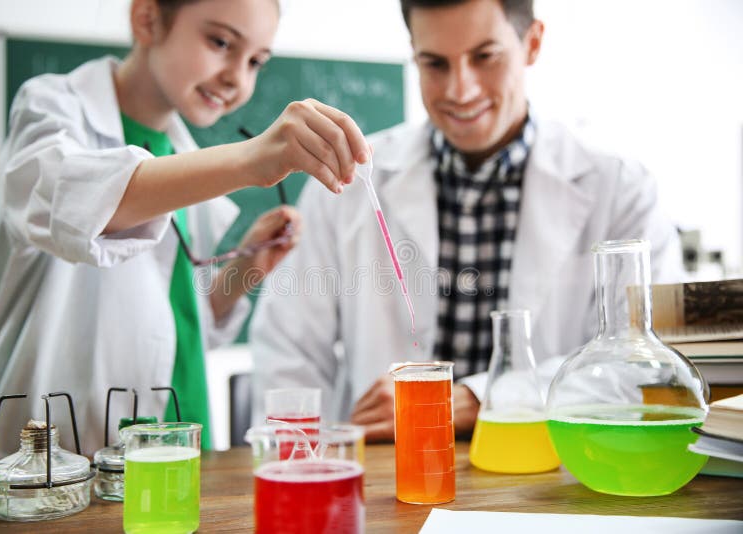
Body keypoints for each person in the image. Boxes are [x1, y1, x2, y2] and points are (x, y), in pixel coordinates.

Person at [250, 0, 684, 441]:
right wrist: (305, 466)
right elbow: (288, 353)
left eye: (485, 57)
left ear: (531, 44)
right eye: (435, 63)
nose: (460, 90)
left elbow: (641, 364)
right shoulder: (346, 184)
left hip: (549, 468)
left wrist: (485, 399)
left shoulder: (621, 190)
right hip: (388, 471)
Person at [0, 0, 370, 455]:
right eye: (220, 42)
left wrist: (246, 268)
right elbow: (75, 203)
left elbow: (174, 327)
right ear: (147, 19)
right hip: (57, 469)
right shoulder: (53, 110)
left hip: (181, 445)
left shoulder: (181, 155)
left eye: (255, 61)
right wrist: (252, 159)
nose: (238, 78)